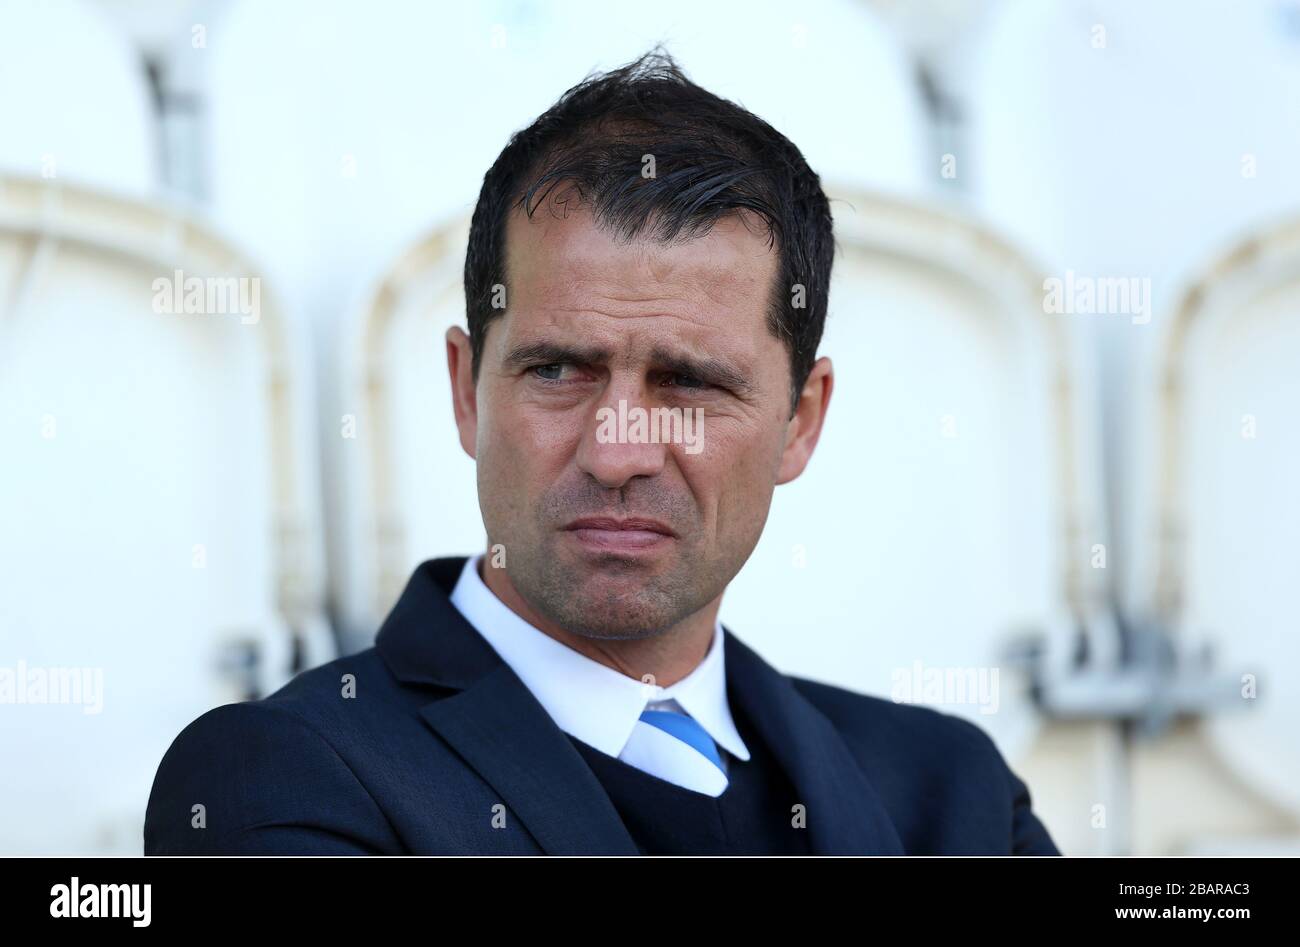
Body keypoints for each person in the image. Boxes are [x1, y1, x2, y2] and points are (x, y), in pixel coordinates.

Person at [144, 49, 1060, 856]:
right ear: (467, 391)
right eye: (559, 370)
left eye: (691, 383)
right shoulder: (282, 781)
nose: (620, 452)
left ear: (800, 420)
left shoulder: (952, 796)